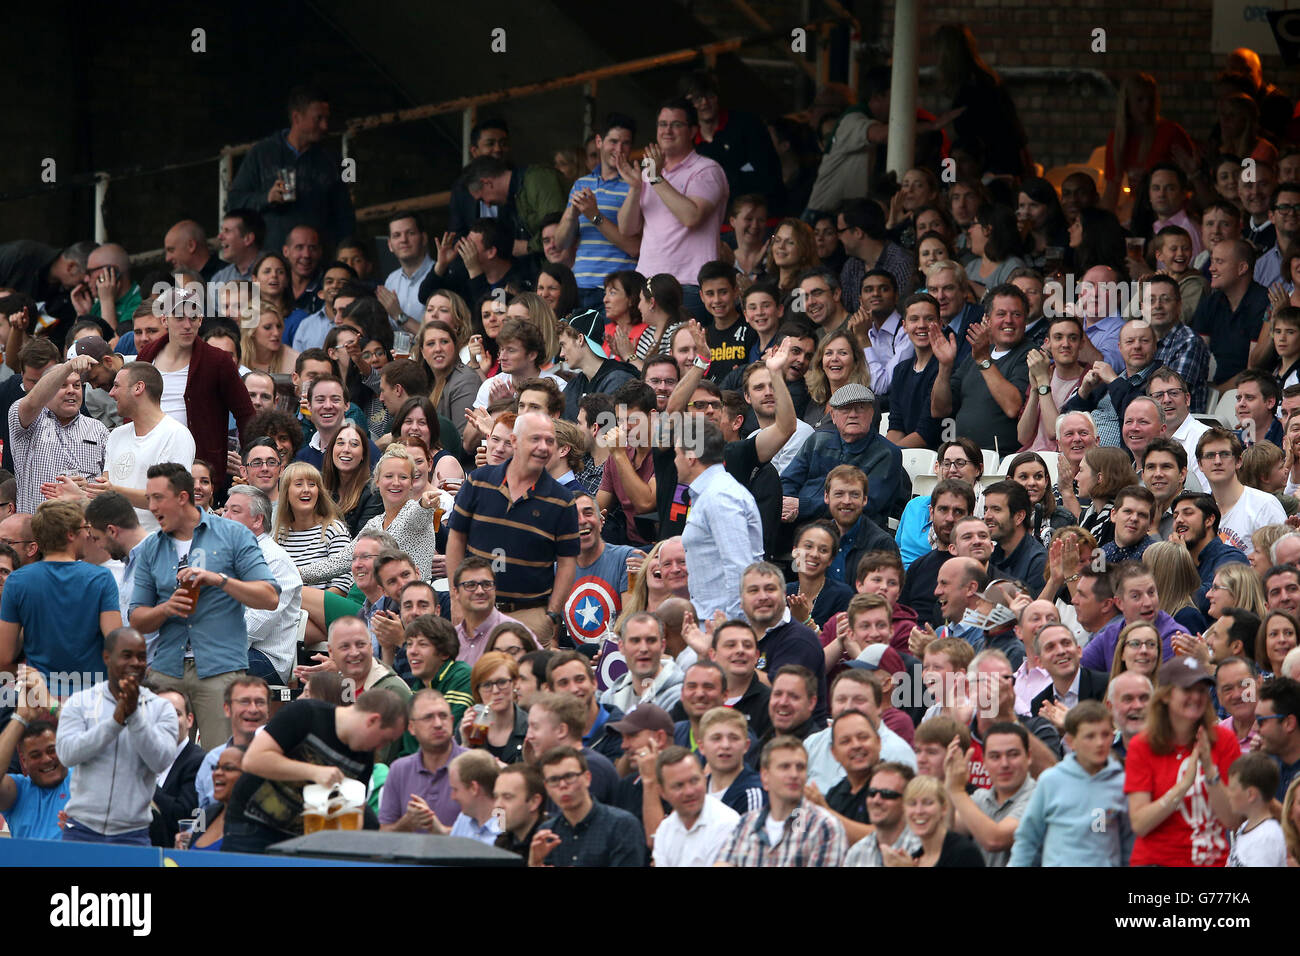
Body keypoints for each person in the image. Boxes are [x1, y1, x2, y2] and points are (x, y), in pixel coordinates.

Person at [129, 463, 280, 745]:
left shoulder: (233, 535)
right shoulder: (151, 547)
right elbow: (136, 618)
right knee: (158, 765)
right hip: (167, 669)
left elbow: (270, 596)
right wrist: (166, 608)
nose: (150, 506)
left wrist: (219, 580)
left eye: (158, 498)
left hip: (219, 668)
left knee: (221, 761)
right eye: (148, 498)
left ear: (182, 497)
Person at [446, 413, 577, 648]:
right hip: (474, 610)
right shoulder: (477, 482)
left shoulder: (563, 501)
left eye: (550, 441)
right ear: (515, 441)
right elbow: (456, 539)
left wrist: (552, 615)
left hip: (530, 619)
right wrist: (457, 601)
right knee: (475, 683)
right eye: (535, 439)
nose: (543, 447)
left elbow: (568, 562)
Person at [223, 688, 406, 852]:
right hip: (250, 827)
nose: (381, 747)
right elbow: (253, 760)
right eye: (385, 740)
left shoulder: (363, 757)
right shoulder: (305, 713)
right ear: (373, 721)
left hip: (300, 842)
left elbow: (355, 810)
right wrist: (314, 772)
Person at [54, 628, 179, 845]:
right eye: (127, 655)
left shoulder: (161, 708)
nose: (136, 663)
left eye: (141, 657)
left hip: (134, 833)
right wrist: (115, 723)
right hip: (82, 830)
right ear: (106, 657)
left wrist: (134, 717)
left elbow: (161, 761)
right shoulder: (80, 702)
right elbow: (67, 755)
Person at [1125, 655, 1243, 866]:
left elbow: (1232, 821)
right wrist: (1183, 787)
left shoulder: (1223, 740)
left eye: (1201, 690)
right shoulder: (1142, 746)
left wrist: (1210, 772)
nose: (1196, 697)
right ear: (1165, 696)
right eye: (1188, 690)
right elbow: (1140, 823)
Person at [618, 98, 729, 321]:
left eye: (676, 124)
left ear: (693, 131)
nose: (667, 130)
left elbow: (691, 216)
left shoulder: (706, 170)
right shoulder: (650, 173)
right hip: (646, 283)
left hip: (686, 284)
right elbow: (627, 228)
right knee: (646, 355)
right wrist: (635, 187)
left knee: (682, 354)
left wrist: (656, 178)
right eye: (662, 124)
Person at [137, 289, 255, 488]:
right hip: (148, 460)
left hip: (199, 468)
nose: (187, 325)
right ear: (164, 320)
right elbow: (133, 406)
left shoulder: (218, 360)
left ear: (201, 320)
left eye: (193, 317)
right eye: (179, 317)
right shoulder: (147, 356)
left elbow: (246, 414)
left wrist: (250, 461)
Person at [0, 500, 121, 682]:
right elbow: (116, 644)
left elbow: (5, 656)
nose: (88, 535)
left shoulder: (17, 581)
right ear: (71, 534)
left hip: (39, 699)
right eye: (84, 528)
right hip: (90, 697)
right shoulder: (100, 579)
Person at [227, 85, 355, 250]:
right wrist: (266, 198)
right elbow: (234, 202)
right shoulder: (261, 153)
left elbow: (345, 215)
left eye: (326, 119)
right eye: (318, 119)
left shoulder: (335, 159)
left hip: (317, 262)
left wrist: (345, 254)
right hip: (271, 261)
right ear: (297, 118)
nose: (325, 126)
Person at [1010, 700, 1133, 866]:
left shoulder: (1122, 782)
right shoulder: (1051, 781)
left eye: (1105, 735)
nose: (1099, 743)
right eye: (1090, 736)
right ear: (1070, 741)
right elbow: (1027, 839)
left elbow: (1129, 843)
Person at [929, 283, 1033, 455]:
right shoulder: (976, 355)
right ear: (988, 319)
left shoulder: (1030, 354)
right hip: (963, 457)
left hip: (1002, 460)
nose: (1009, 320)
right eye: (1001, 314)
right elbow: (939, 409)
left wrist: (984, 360)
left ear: (1025, 320)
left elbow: (1012, 407)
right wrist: (945, 366)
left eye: (1016, 314)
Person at [676, 418, 764, 620]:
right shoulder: (711, 493)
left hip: (725, 625)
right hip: (711, 621)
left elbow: (739, 567)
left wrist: (732, 628)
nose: (674, 461)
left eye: (676, 454)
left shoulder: (719, 497)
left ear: (690, 457)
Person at [94, 362, 195, 534]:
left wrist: (113, 490)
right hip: (114, 545)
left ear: (138, 388)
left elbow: (167, 498)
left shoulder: (175, 434)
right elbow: (106, 486)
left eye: (117, 386)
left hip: (154, 544)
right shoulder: (116, 435)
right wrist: (83, 490)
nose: (111, 393)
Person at [716, 736, 847, 867]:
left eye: (800, 767)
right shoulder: (746, 824)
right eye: (785, 767)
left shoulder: (823, 826)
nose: (794, 774)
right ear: (765, 776)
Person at [223, 486, 303, 685]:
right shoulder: (224, 556)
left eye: (235, 511)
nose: (225, 516)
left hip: (265, 658)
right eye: (225, 510)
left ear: (257, 520)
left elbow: (254, 627)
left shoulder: (275, 560)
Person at [529, 746, 646, 867]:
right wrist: (535, 864)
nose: (562, 785)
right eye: (554, 780)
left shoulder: (622, 825)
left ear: (587, 778)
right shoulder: (547, 832)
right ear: (546, 786)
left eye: (570, 776)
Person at [0, 669, 70, 839]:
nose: (46, 759)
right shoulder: (18, 791)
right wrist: (20, 717)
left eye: (52, 750)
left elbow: (99, 737)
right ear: (23, 761)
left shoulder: (84, 776)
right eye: (35, 755)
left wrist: (50, 703)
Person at [651, 744, 741, 867]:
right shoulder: (665, 829)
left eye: (694, 781)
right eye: (678, 785)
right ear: (662, 792)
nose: (689, 792)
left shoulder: (727, 823)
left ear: (705, 779)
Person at [195, 677, 269, 810]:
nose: (253, 709)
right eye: (244, 702)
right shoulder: (212, 760)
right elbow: (201, 819)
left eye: (260, 702)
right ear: (227, 709)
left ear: (268, 710)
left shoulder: (282, 756)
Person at [148, 689, 204, 848]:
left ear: (190, 720)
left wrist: (144, 780)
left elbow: (183, 816)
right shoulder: (139, 756)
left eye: (176, 713)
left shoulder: (198, 761)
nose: (169, 720)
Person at [600, 612, 684, 714]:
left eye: (651, 640)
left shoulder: (683, 698)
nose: (643, 649)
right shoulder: (608, 700)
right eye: (635, 641)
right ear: (621, 647)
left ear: (662, 646)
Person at [1256, 677, 1300, 799]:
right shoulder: (1267, 767)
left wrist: (1266, 800)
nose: (1256, 729)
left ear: (1288, 723)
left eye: (1261, 721)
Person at [492, 764, 547, 858]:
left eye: (507, 797)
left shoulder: (551, 844)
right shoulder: (502, 843)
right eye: (496, 797)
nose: (497, 805)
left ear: (534, 802)